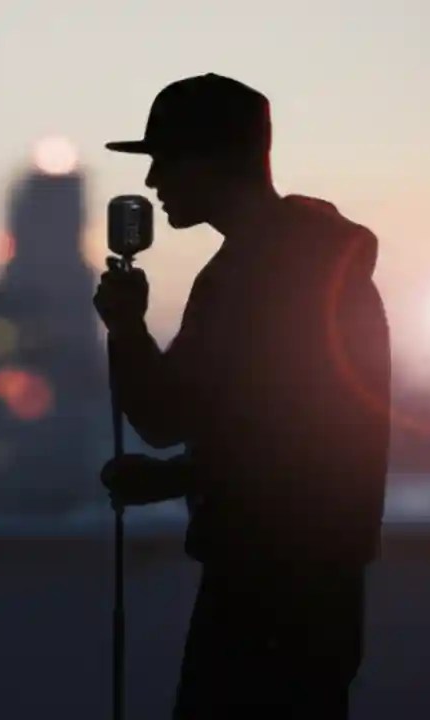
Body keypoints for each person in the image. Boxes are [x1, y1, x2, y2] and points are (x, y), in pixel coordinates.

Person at [93, 73, 391, 719]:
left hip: (266, 590)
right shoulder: (308, 264)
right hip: (313, 589)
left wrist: (126, 329)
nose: (153, 184)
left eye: (164, 161)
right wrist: (176, 476)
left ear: (208, 159)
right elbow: (285, 438)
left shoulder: (252, 277)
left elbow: (171, 416)